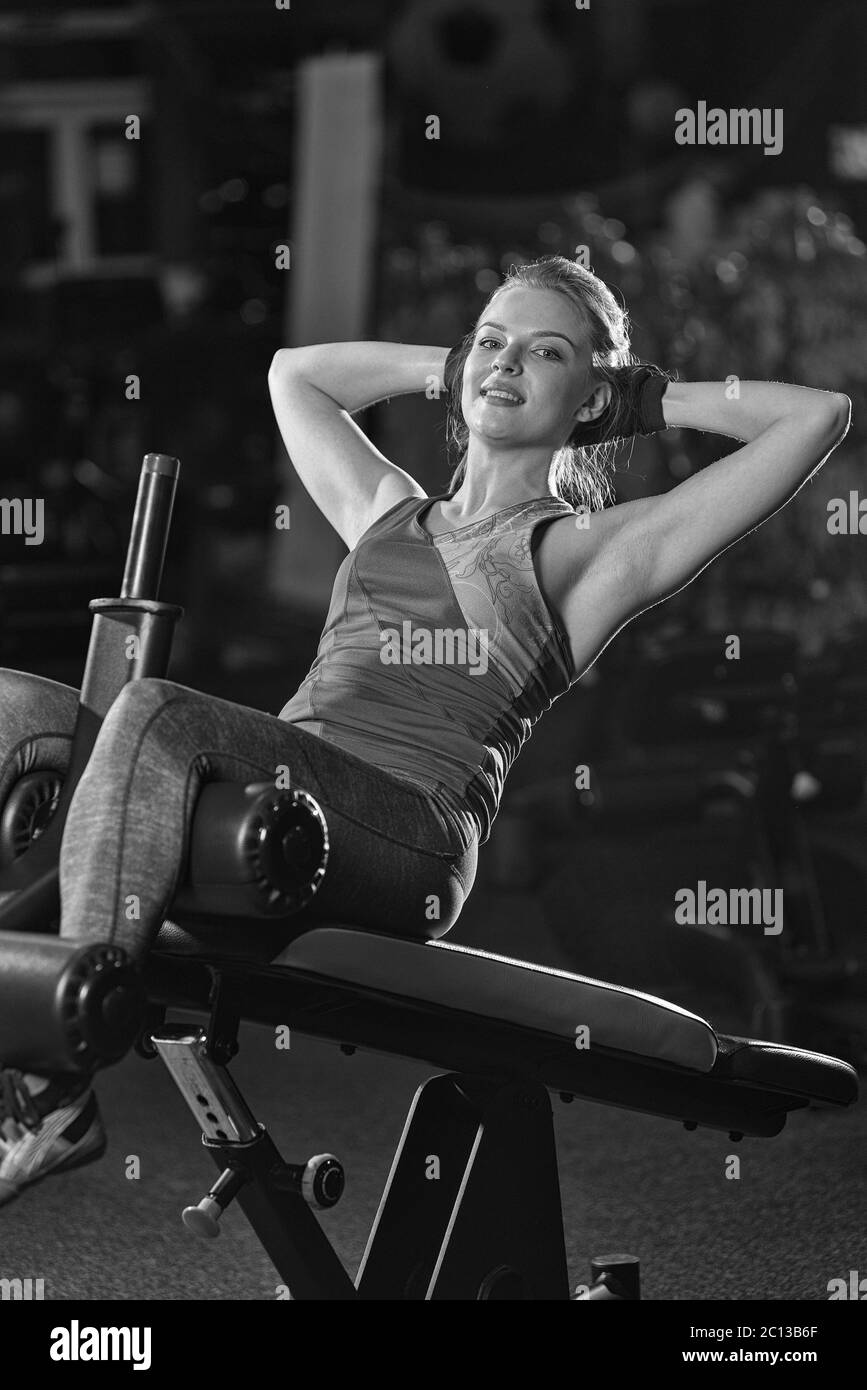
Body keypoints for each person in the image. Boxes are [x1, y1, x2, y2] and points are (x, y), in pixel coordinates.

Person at [0, 254, 850, 1205]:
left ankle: (56, 1084)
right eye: (490, 342)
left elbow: (813, 417)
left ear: (590, 399)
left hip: (405, 835)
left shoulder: (586, 554)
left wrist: (641, 398)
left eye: (545, 354)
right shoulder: (385, 513)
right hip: (277, 802)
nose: (505, 364)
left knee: (156, 711)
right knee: (10, 706)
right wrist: (454, 362)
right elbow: (295, 374)